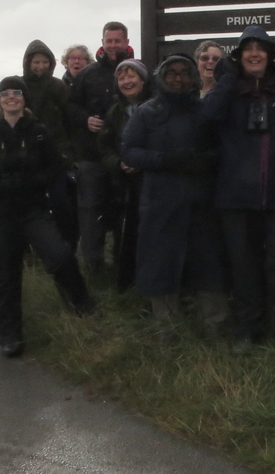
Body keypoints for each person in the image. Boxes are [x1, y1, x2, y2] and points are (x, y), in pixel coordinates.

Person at [203, 25, 275, 352]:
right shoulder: (230, 90)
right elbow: (207, 116)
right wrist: (228, 77)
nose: (253, 54)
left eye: (260, 49)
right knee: (243, 265)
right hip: (236, 196)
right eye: (247, 49)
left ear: (270, 55)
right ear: (239, 56)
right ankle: (247, 330)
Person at [0, 77, 94, 358]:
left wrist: (32, 183)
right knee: (4, 274)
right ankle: (9, 335)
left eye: (17, 92)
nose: (11, 97)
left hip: (33, 210)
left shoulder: (39, 132)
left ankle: (83, 308)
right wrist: (2, 186)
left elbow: (54, 167)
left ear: (24, 98)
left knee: (60, 255)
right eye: (5, 93)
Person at [121, 54, 227, 327]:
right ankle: (168, 330)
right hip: (160, 203)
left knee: (208, 264)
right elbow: (129, 150)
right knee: (160, 264)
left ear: (193, 77)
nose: (177, 78)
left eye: (183, 73)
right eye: (171, 73)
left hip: (202, 201)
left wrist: (204, 160)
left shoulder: (205, 112)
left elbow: (223, 147)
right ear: (161, 77)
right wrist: (162, 160)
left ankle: (213, 325)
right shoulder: (147, 112)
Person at [67, 22, 131, 273]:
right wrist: (85, 119)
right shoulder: (88, 74)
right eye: (109, 40)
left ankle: (122, 268)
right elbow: (69, 107)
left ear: (126, 42)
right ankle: (94, 270)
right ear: (102, 42)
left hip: (126, 158)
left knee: (123, 215)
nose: (113, 45)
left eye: (117, 40)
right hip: (92, 158)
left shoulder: (136, 72)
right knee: (90, 215)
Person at [96, 58, 152, 291]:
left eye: (131, 76)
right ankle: (125, 286)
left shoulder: (156, 106)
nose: (127, 82)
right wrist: (118, 163)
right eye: (122, 78)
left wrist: (143, 162)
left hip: (151, 182)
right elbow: (104, 147)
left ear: (142, 79)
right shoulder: (114, 111)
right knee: (123, 235)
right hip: (123, 184)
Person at [21, 40, 78, 250]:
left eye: (45, 62)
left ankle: (67, 248)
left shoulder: (58, 86)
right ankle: (29, 253)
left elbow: (69, 119)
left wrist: (69, 154)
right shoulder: (19, 87)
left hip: (57, 155)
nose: (40, 66)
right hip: (27, 156)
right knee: (28, 207)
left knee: (62, 205)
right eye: (36, 62)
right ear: (28, 63)